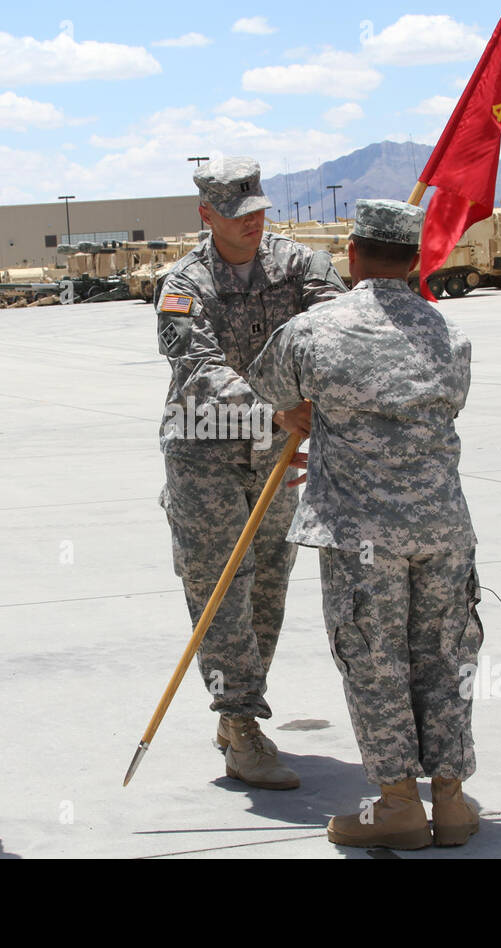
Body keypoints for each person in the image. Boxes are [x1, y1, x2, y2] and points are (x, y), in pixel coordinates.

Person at [246, 200, 481, 849]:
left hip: (361, 533)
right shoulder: (450, 335)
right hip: (442, 526)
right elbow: (450, 400)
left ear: (353, 254)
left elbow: (265, 387)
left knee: (375, 660)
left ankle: (399, 803)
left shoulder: (315, 329)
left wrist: (298, 416)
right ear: (415, 261)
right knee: (447, 653)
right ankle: (453, 801)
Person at [155, 156, 345, 789]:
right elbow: (197, 366)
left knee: (266, 583)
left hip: (276, 456)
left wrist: (321, 393)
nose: (252, 227)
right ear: (206, 216)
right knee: (218, 586)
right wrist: (274, 413)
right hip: (203, 453)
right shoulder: (183, 282)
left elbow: (340, 330)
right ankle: (238, 720)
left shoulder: (299, 265)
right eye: (237, 218)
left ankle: (241, 706)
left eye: (259, 214)